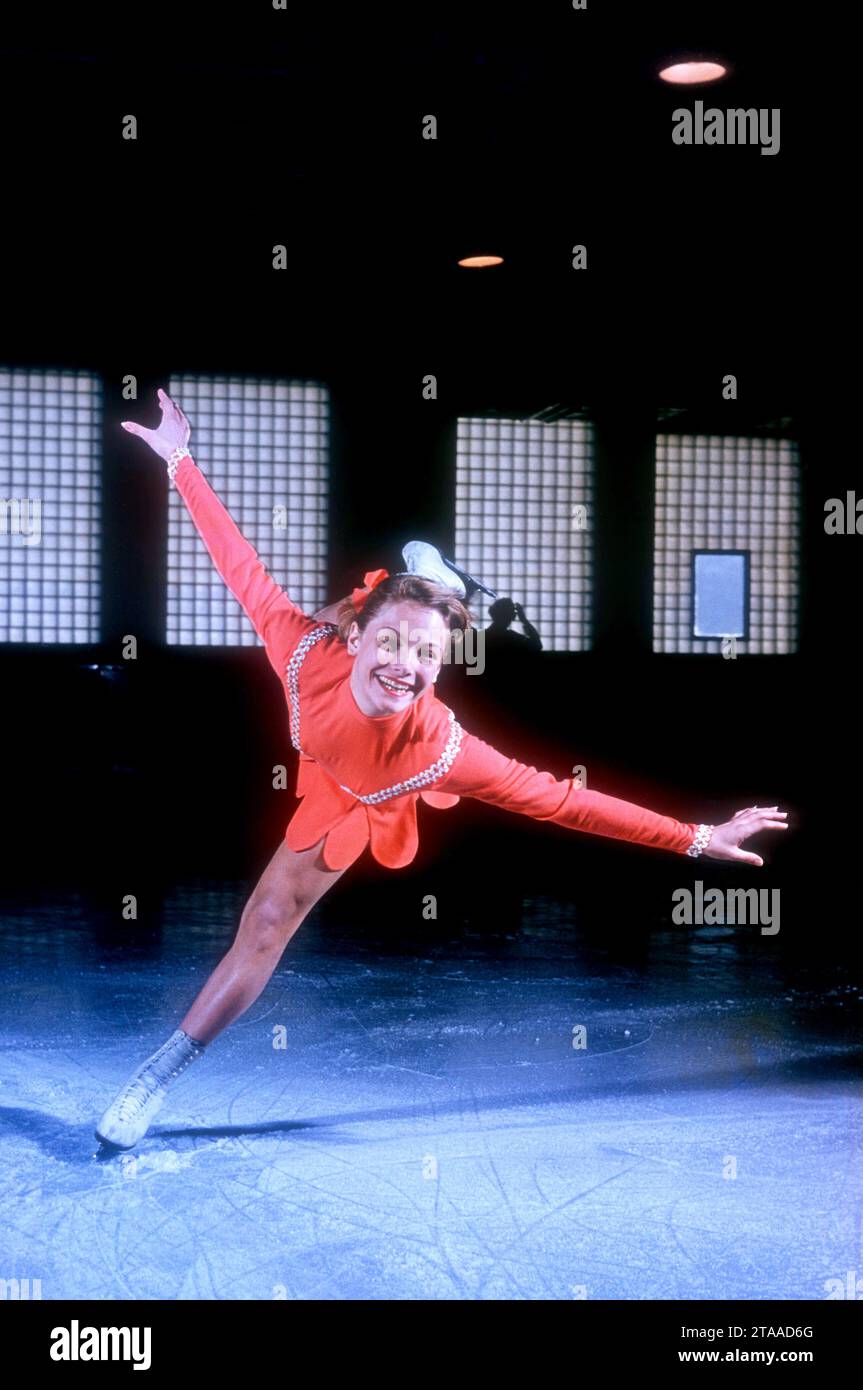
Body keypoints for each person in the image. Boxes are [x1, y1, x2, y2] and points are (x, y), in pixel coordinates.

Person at [95, 389, 789, 1150]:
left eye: (429, 654)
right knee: (262, 925)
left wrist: (694, 838)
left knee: (313, 876)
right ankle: (154, 1081)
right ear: (356, 641)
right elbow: (237, 562)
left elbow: (565, 804)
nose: (407, 666)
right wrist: (180, 461)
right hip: (331, 769)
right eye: (390, 643)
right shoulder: (302, 649)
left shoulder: (444, 747)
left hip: (387, 783)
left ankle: (435, 587)